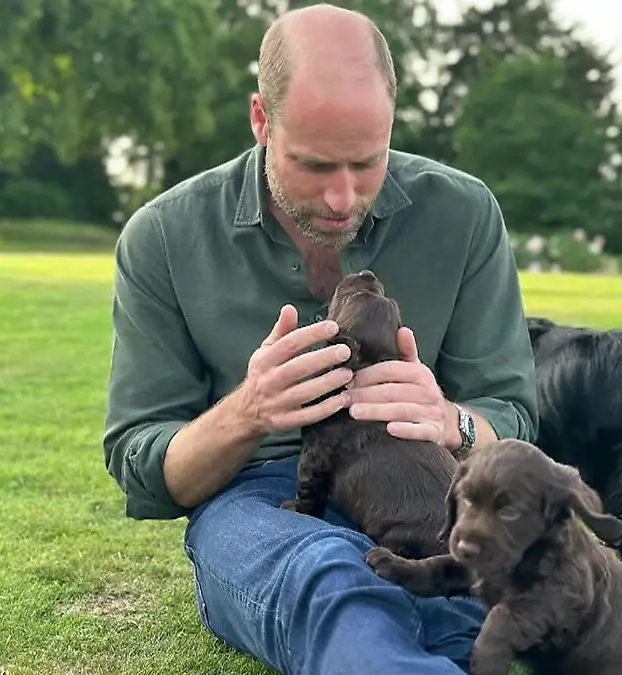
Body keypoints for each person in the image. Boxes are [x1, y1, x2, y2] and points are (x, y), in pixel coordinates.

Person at [102, 4, 538, 674]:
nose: (342, 197)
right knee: (330, 579)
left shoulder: (465, 213)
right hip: (260, 496)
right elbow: (144, 463)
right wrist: (247, 413)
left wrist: (451, 421)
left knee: (462, 608)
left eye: (366, 163)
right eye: (313, 166)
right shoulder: (163, 237)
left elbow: (512, 416)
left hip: (425, 487)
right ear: (260, 120)